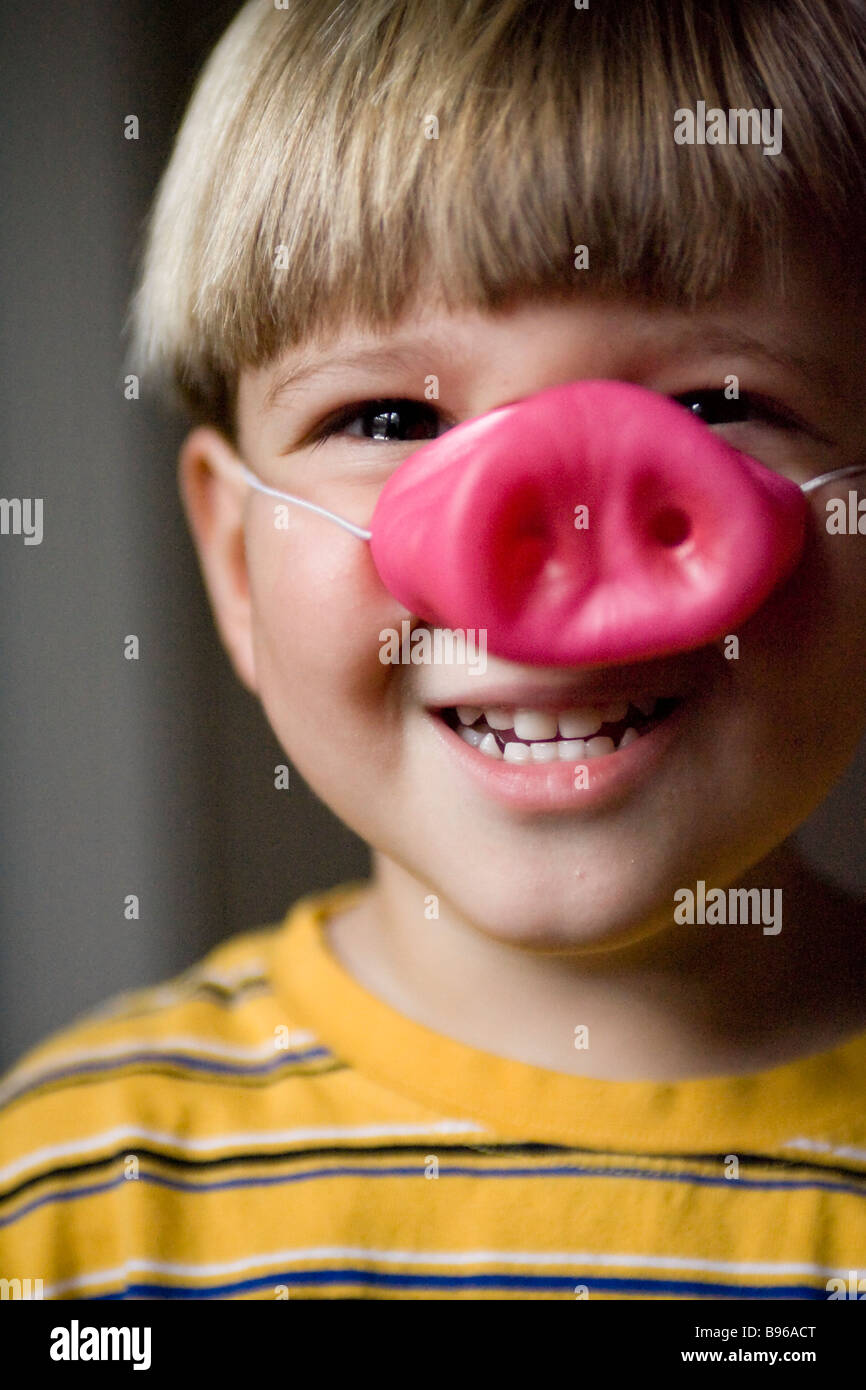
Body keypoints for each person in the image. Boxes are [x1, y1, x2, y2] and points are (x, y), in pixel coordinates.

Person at [2, 0, 865, 1300]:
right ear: (236, 561)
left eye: (718, 405)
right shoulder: (74, 1198)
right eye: (390, 414)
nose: (545, 561)